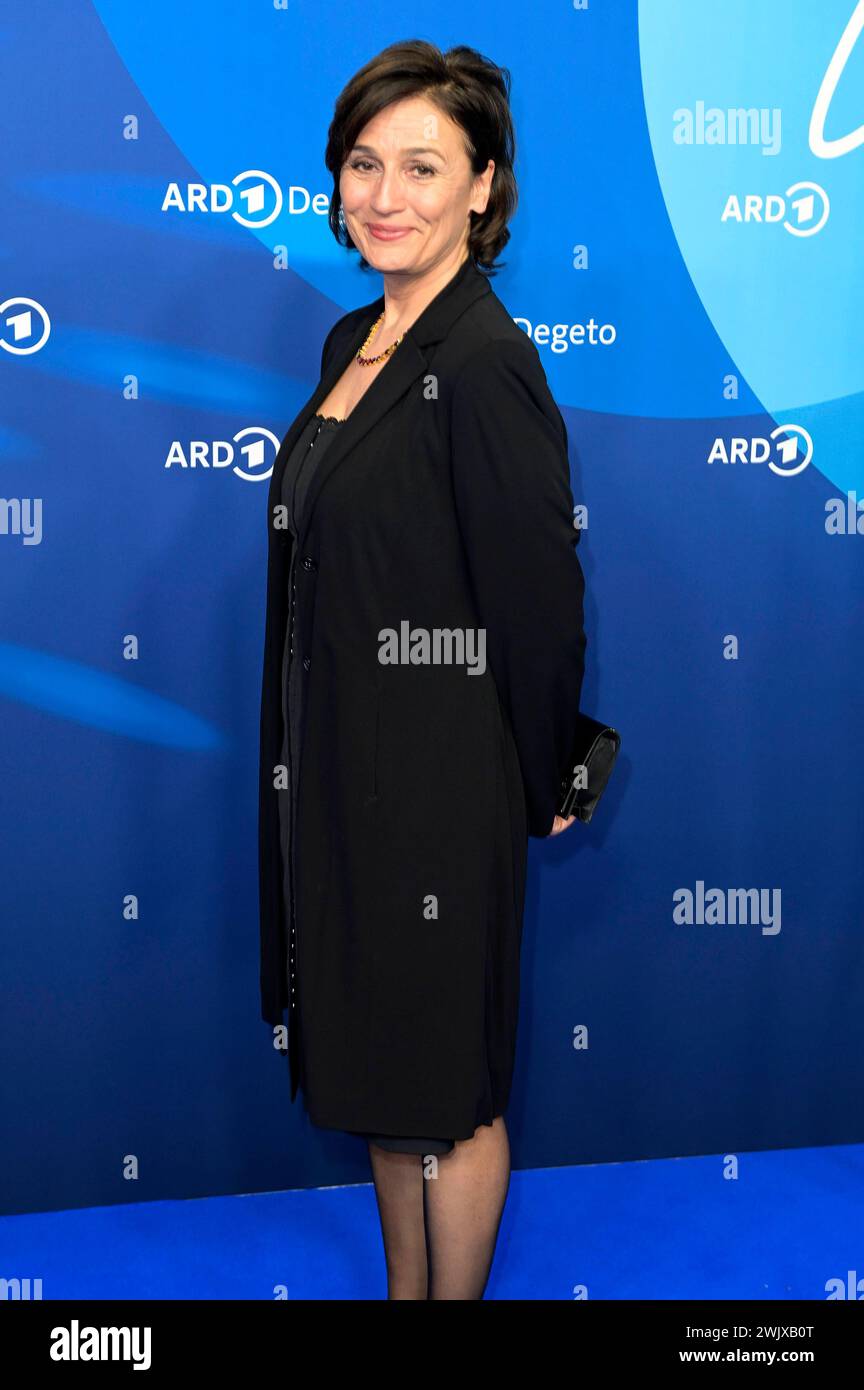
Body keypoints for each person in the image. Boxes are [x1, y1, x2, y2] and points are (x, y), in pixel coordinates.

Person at [258, 39, 587, 1299]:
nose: (384, 195)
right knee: (384, 1079)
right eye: (363, 163)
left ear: (484, 188)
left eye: (422, 166)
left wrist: (548, 764)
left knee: (446, 1088)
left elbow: (540, 601)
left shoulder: (486, 360)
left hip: (443, 791)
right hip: (341, 768)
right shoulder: (358, 334)